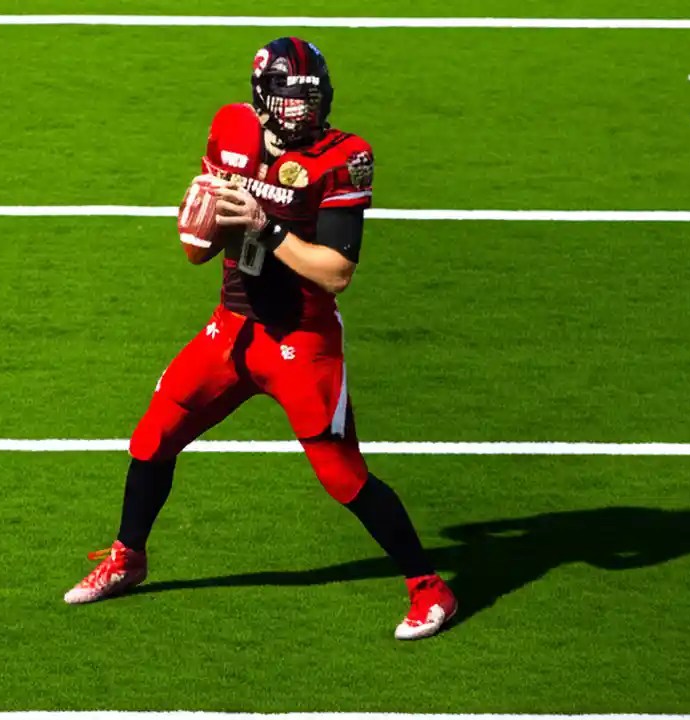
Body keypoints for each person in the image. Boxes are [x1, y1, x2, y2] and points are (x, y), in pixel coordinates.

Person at [64, 37, 458, 640]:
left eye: (312, 95)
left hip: (301, 339)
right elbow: (200, 246)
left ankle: (430, 588)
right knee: (151, 438)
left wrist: (264, 226)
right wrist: (202, 221)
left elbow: (337, 272)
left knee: (343, 477)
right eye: (290, 95)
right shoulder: (230, 129)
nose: (304, 107)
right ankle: (128, 557)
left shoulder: (344, 157)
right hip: (233, 326)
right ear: (262, 96)